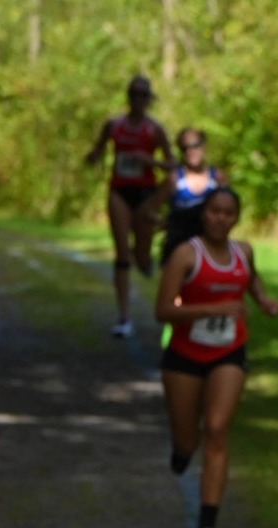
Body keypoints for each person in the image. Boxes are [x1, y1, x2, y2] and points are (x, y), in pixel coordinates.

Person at [153, 187, 278, 528]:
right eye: (214, 211)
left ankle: (208, 524)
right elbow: (163, 311)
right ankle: (181, 450)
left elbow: (250, 279)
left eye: (228, 213)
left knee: (218, 429)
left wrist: (264, 300)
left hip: (229, 352)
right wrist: (212, 309)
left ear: (236, 218)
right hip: (184, 356)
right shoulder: (186, 255)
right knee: (187, 440)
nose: (220, 219)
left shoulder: (244, 252)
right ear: (203, 214)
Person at [85, 75, 172, 338]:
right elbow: (98, 150)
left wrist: (150, 161)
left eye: (143, 95)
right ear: (128, 96)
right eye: (134, 93)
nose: (138, 99)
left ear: (149, 99)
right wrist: (93, 157)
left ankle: (146, 260)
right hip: (119, 192)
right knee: (122, 254)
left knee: (142, 260)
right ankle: (124, 317)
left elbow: (172, 165)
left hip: (145, 194)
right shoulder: (114, 125)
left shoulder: (155, 130)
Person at [157, 126, 227, 265]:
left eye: (195, 146)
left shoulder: (217, 178)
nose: (190, 151)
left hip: (209, 248)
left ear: (204, 147)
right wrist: (167, 223)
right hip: (177, 246)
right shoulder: (174, 178)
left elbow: (229, 210)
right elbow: (149, 211)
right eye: (185, 148)